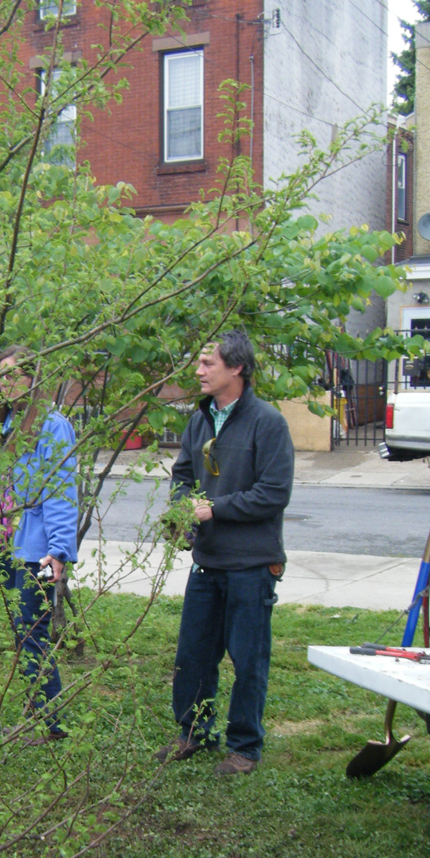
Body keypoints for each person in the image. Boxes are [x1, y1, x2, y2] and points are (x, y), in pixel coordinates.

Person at [158, 330, 294, 776]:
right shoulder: (199, 421)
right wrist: (182, 510)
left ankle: (245, 747)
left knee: (247, 657)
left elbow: (273, 494)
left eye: (207, 364)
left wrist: (213, 509)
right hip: (209, 562)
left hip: (252, 565)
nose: (198, 371)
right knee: (193, 654)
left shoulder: (268, 422)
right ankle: (194, 733)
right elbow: (182, 473)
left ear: (236, 368)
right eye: (199, 364)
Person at [0, 344, 77, 742]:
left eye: (16, 372)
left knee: (33, 630)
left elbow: (61, 491)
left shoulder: (52, 425)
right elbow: (0, 490)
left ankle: (50, 722)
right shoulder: (5, 426)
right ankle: (37, 706)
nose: (7, 381)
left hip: (38, 551)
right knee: (22, 631)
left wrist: (57, 551)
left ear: (34, 379)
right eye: (0, 374)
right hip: (10, 548)